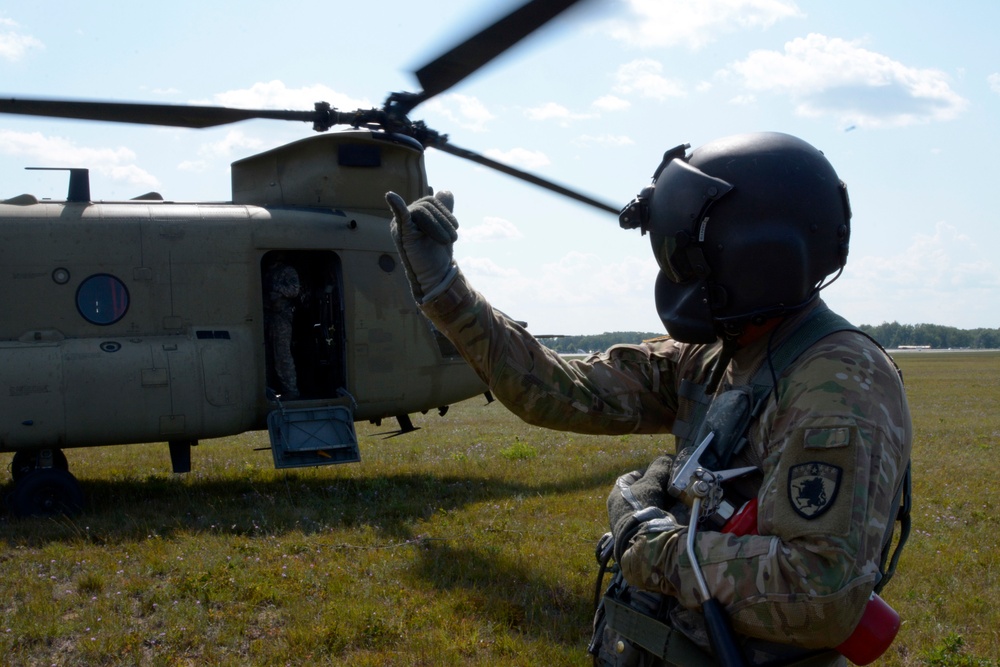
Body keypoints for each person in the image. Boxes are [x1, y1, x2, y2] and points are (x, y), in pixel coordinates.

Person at [385, 132, 912, 666]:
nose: (678, 273)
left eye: (690, 256)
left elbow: (817, 594)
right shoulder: (713, 353)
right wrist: (445, 288)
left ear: (754, 256)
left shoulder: (839, 379)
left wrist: (647, 544)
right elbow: (559, 390)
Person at [264, 259, 304, 400]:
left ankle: (291, 390)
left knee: (282, 355)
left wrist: (278, 291)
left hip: (281, 317)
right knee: (267, 355)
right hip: (267, 315)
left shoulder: (287, 270)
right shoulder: (267, 271)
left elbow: (294, 289)